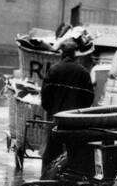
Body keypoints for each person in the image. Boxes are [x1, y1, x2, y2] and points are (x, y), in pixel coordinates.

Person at [38, 40, 96, 169]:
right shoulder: (83, 72)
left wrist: (51, 110)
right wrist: (81, 112)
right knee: (75, 152)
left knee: (51, 153)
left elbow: (45, 96)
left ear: (62, 54)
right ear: (75, 55)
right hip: (76, 121)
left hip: (56, 119)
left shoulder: (54, 70)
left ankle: (46, 182)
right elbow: (89, 97)